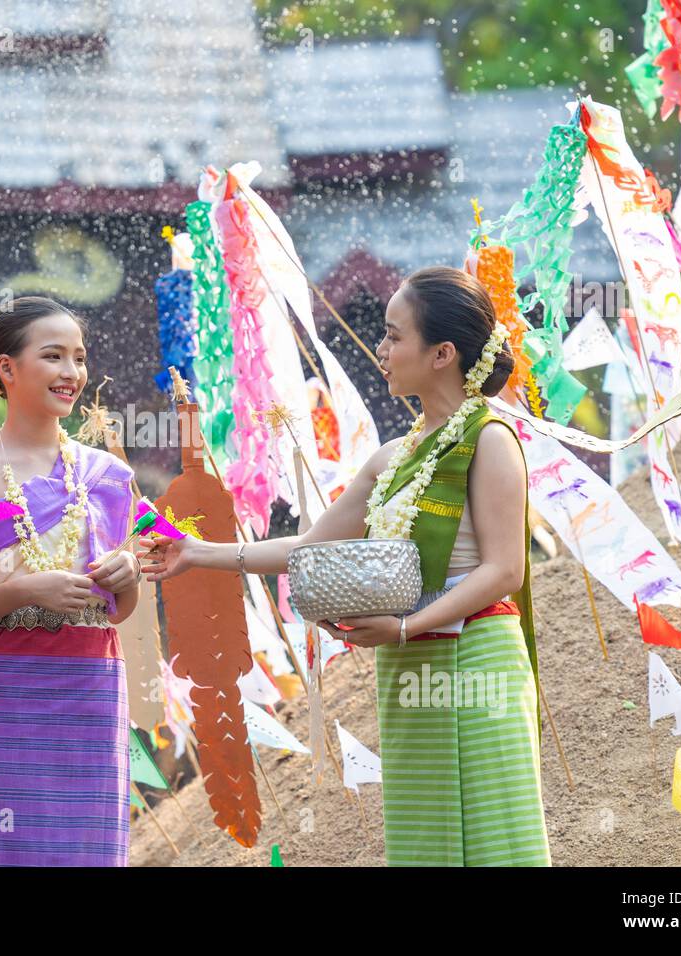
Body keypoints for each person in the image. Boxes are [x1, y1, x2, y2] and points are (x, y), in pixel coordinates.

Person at [143, 266, 551, 866]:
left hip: (476, 655)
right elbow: (311, 547)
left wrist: (407, 626)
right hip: (409, 659)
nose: (381, 350)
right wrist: (196, 553)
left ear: (442, 353)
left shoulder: (491, 439)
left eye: (393, 336)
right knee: (424, 830)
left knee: (494, 829)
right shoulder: (393, 457)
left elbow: (503, 571)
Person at [0, 296, 140, 866]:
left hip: (94, 684)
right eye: (53, 356)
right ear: (7, 369)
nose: (72, 373)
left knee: (90, 847)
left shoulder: (107, 475)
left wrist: (125, 581)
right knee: (15, 844)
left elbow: (118, 609)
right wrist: (24, 591)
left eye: (78, 358)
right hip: (9, 689)